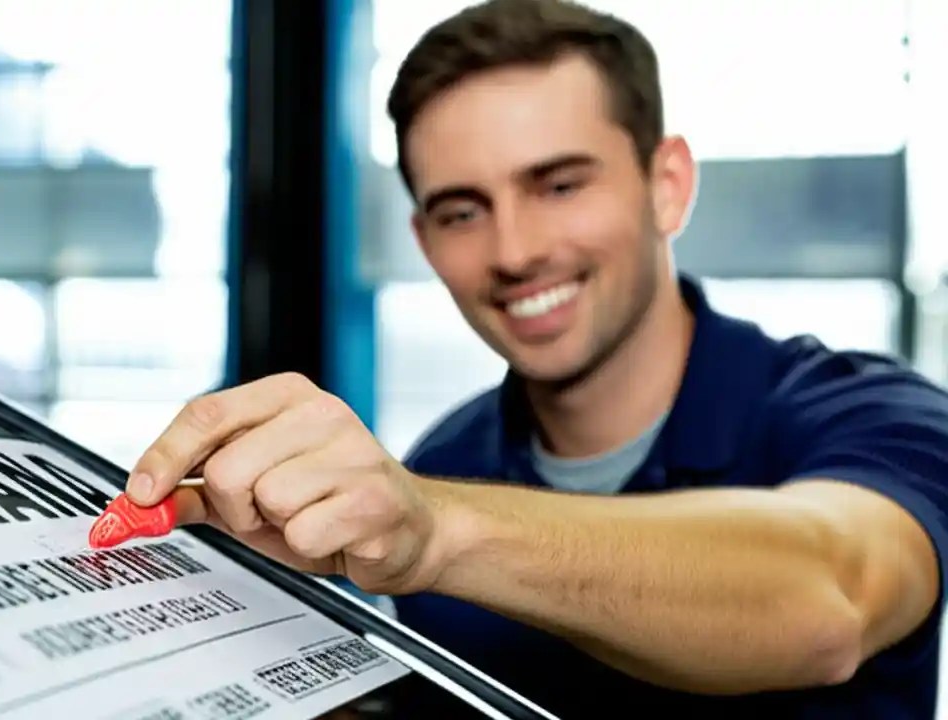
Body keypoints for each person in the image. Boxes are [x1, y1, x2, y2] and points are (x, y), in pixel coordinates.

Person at [121, 0, 948, 716]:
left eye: (559, 186)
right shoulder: (449, 461)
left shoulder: (873, 413)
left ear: (668, 184)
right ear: (424, 240)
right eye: (461, 211)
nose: (514, 251)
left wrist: (439, 531)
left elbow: (830, 603)